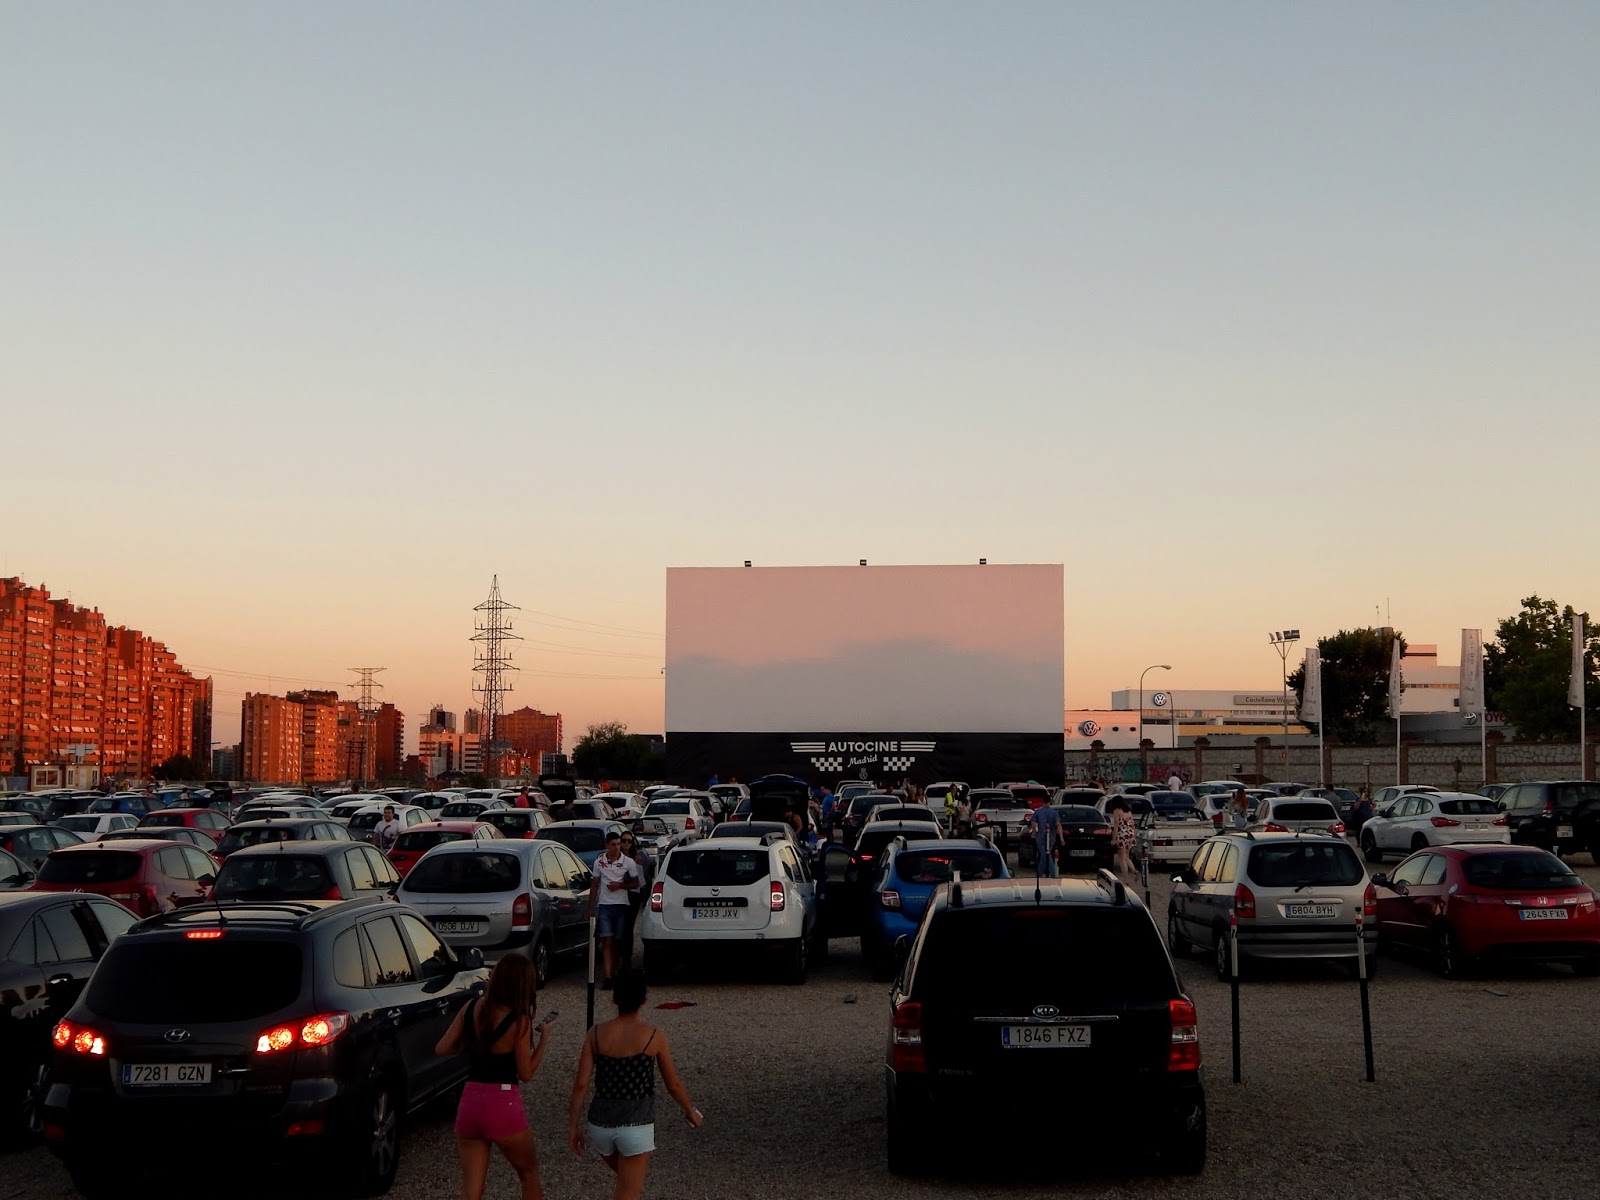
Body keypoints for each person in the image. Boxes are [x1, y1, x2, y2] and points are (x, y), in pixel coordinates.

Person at [569, 968, 702, 1200]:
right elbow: (673, 1084)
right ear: (644, 1000)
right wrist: (690, 1110)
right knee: (628, 1192)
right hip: (636, 1125)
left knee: (629, 1185)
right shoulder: (654, 1036)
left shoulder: (595, 1034)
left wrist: (573, 1125)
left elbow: (581, 1084)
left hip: (600, 1123)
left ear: (614, 998)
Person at [435, 954, 555, 1200]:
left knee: (471, 1191)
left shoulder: (471, 1007)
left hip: (469, 1102)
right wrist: (543, 1040)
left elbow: (442, 1048)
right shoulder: (519, 1020)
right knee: (528, 1173)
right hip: (501, 1103)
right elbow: (526, 1073)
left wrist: (470, 1044)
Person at [590, 830, 641, 987]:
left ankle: (616, 971)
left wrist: (620, 885)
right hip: (605, 905)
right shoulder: (599, 862)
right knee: (607, 940)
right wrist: (591, 907)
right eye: (614, 844)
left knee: (619, 940)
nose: (617, 847)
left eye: (619, 844)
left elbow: (636, 883)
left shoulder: (628, 862)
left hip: (621, 905)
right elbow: (595, 884)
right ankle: (608, 976)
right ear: (607, 845)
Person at [1031, 801, 1063, 878]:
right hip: (1051, 837)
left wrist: (1034, 834)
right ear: (1050, 802)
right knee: (1045, 855)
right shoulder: (1054, 813)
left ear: (1043, 801)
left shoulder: (1038, 812)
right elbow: (1058, 825)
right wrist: (1061, 838)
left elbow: (1034, 824)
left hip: (1041, 837)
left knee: (1045, 855)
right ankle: (1039, 874)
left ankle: (1053, 874)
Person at [1111, 798, 1138, 876]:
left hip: (1122, 834)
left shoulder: (1116, 811)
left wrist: (1114, 839)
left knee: (1121, 858)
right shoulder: (1128, 812)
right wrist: (1134, 836)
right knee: (1126, 856)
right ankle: (1133, 870)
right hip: (1130, 834)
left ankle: (1125, 878)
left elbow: (1116, 826)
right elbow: (1132, 824)